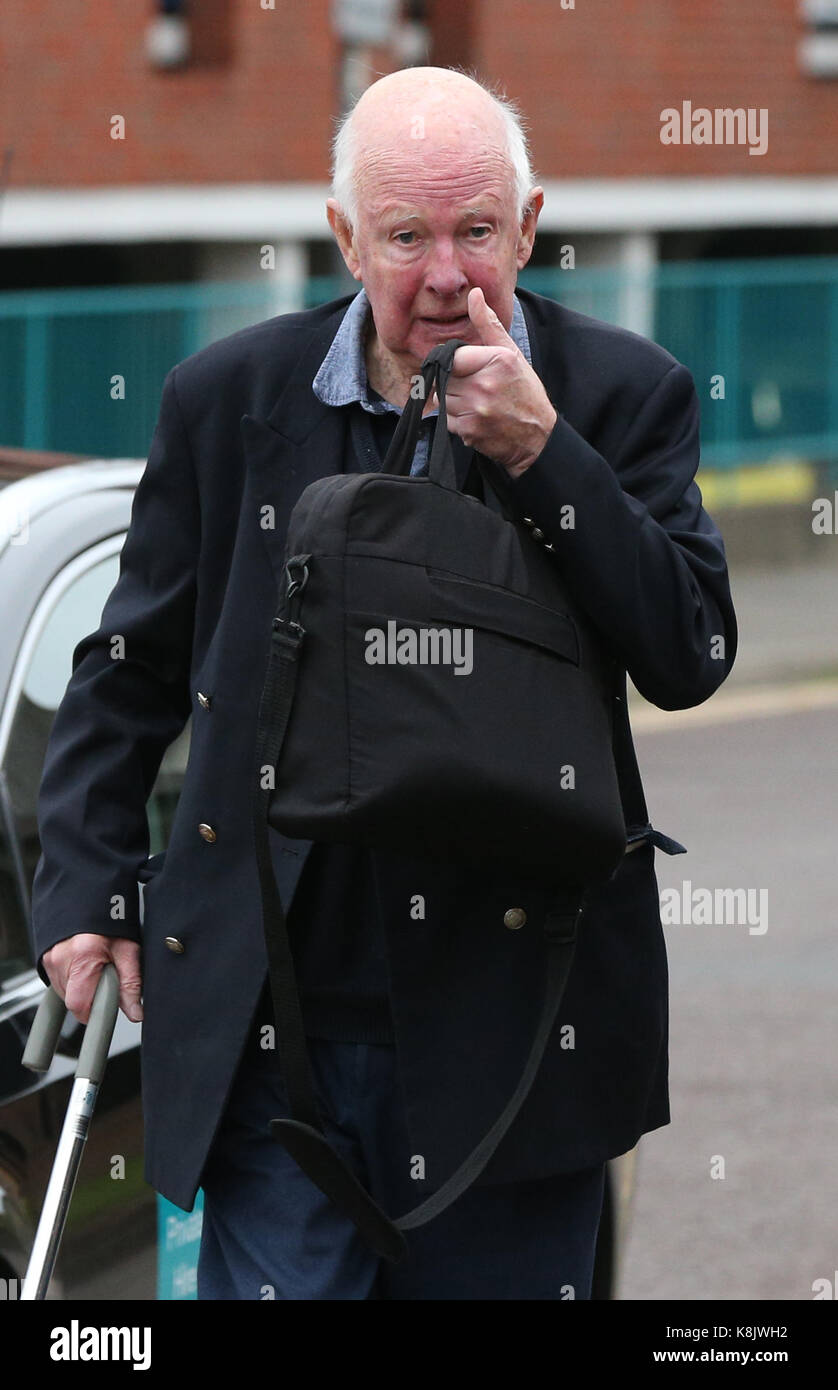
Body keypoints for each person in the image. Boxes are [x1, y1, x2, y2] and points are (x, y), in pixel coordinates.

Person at [30, 65, 737, 1300]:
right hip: (275, 1037)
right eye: (407, 237)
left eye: (476, 232)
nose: (448, 275)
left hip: (519, 1038)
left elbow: (690, 652)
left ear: (528, 225)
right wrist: (83, 886)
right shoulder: (228, 399)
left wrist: (541, 452)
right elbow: (128, 667)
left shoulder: (623, 393)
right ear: (345, 237)